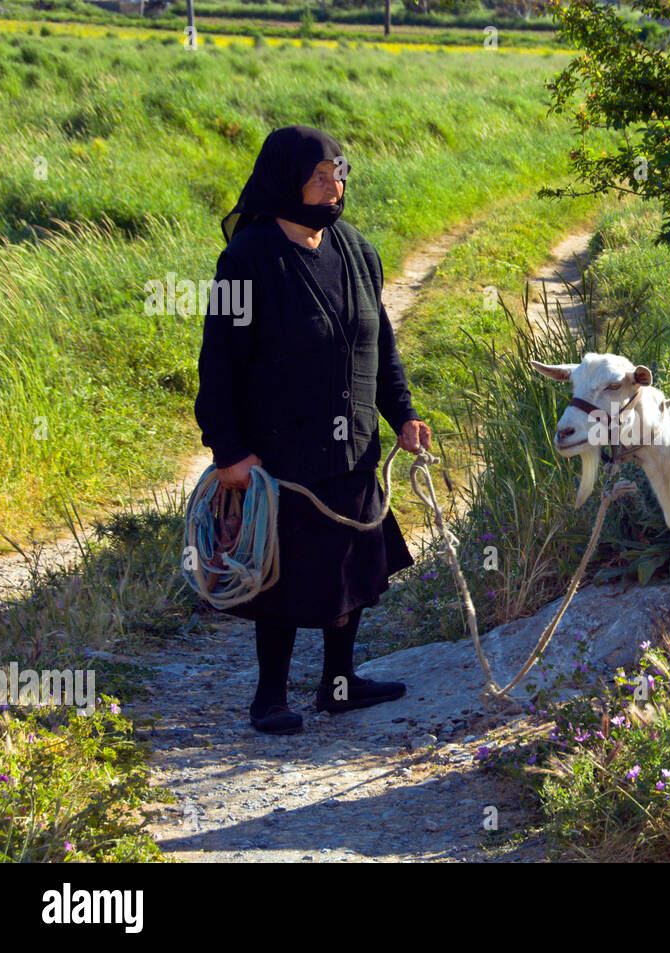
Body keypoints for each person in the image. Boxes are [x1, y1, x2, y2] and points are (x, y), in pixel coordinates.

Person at [194, 125, 432, 735]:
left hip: (351, 441)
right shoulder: (248, 259)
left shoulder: (354, 249)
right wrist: (229, 451)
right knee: (279, 570)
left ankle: (340, 683)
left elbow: (378, 343)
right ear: (287, 179)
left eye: (340, 173)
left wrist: (401, 413)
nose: (335, 186)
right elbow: (218, 364)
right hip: (278, 450)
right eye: (321, 175)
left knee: (348, 563)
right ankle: (269, 697)